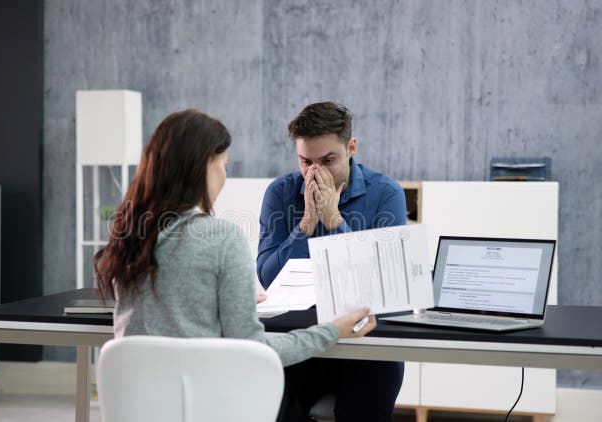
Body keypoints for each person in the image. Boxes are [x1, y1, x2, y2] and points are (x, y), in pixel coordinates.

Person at [93, 108, 376, 371]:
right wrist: (332, 330)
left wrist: (223, 298)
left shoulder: (128, 234)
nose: (225, 176)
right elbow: (253, 349)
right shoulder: (224, 238)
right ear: (204, 165)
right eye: (225, 165)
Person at [257, 102, 408, 422]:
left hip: (366, 342)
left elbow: (383, 281)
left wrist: (334, 218)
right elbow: (269, 278)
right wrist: (306, 225)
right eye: (305, 162)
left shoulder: (386, 193)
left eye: (328, 160)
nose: (316, 173)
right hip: (300, 338)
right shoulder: (280, 193)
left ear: (351, 148)